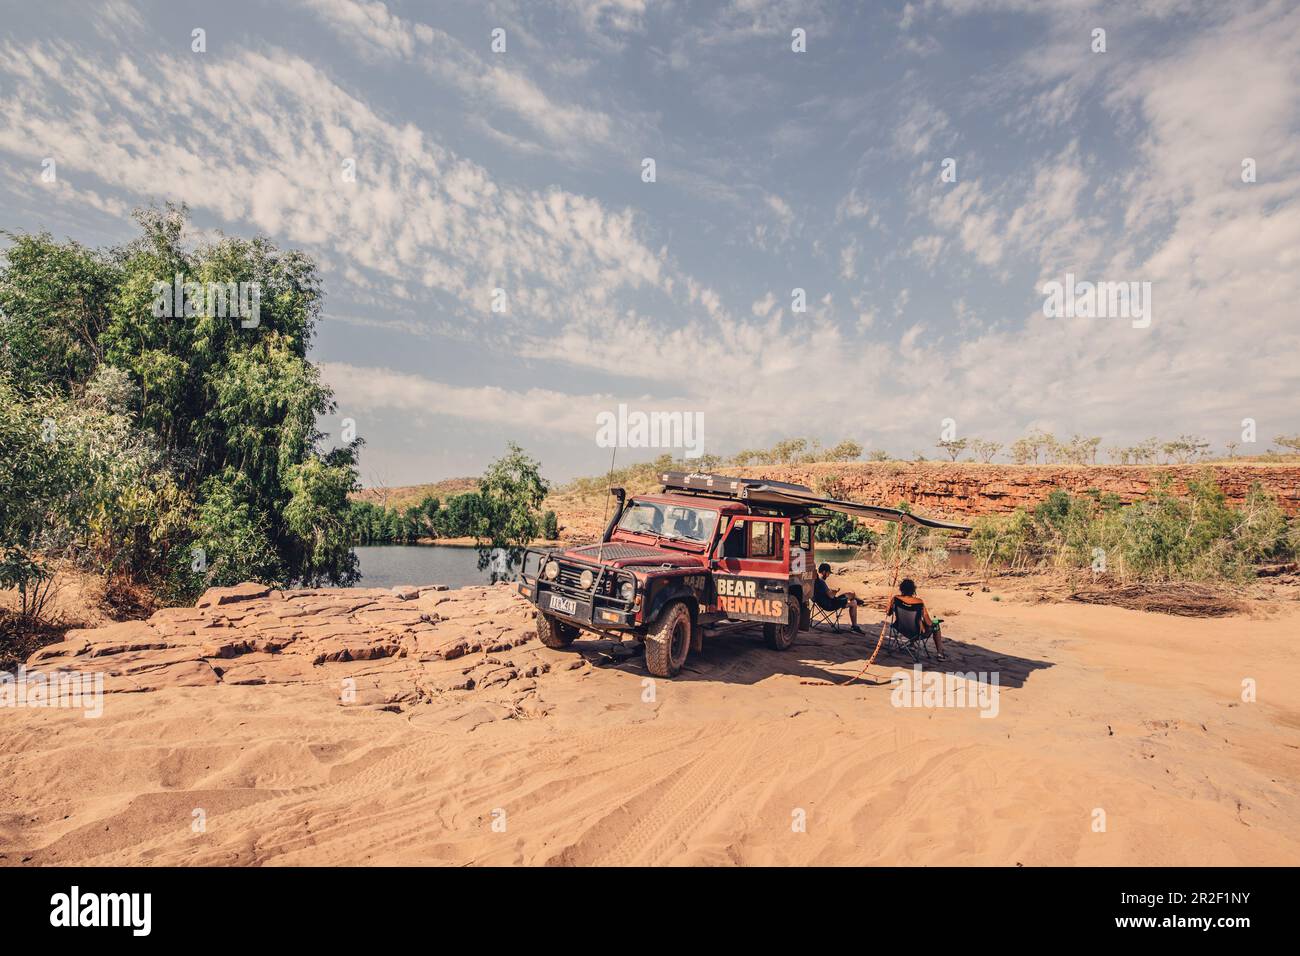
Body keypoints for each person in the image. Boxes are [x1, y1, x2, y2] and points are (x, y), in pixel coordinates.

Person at [888, 578, 947, 661]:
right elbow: (929, 623)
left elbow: (888, 613)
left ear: (901, 589)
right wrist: (935, 622)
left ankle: (911, 644)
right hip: (916, 632)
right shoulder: (919, 602)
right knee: (935, 625)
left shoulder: (896, 599)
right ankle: (940, 654)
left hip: (900, 628)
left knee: (913, 621)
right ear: (913, 590)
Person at [814, 562, 863, 633]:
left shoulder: (816, 581)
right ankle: (854, 626)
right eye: (828, 573)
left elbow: (825, 593)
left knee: (849, 593)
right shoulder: (821, 582)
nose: (828, 575)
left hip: (825, 601)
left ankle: (854, 599)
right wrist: (835, 591)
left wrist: (831, 591)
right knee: (854, 603)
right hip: (830, 604)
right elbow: (830, 596)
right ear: (824, 572)